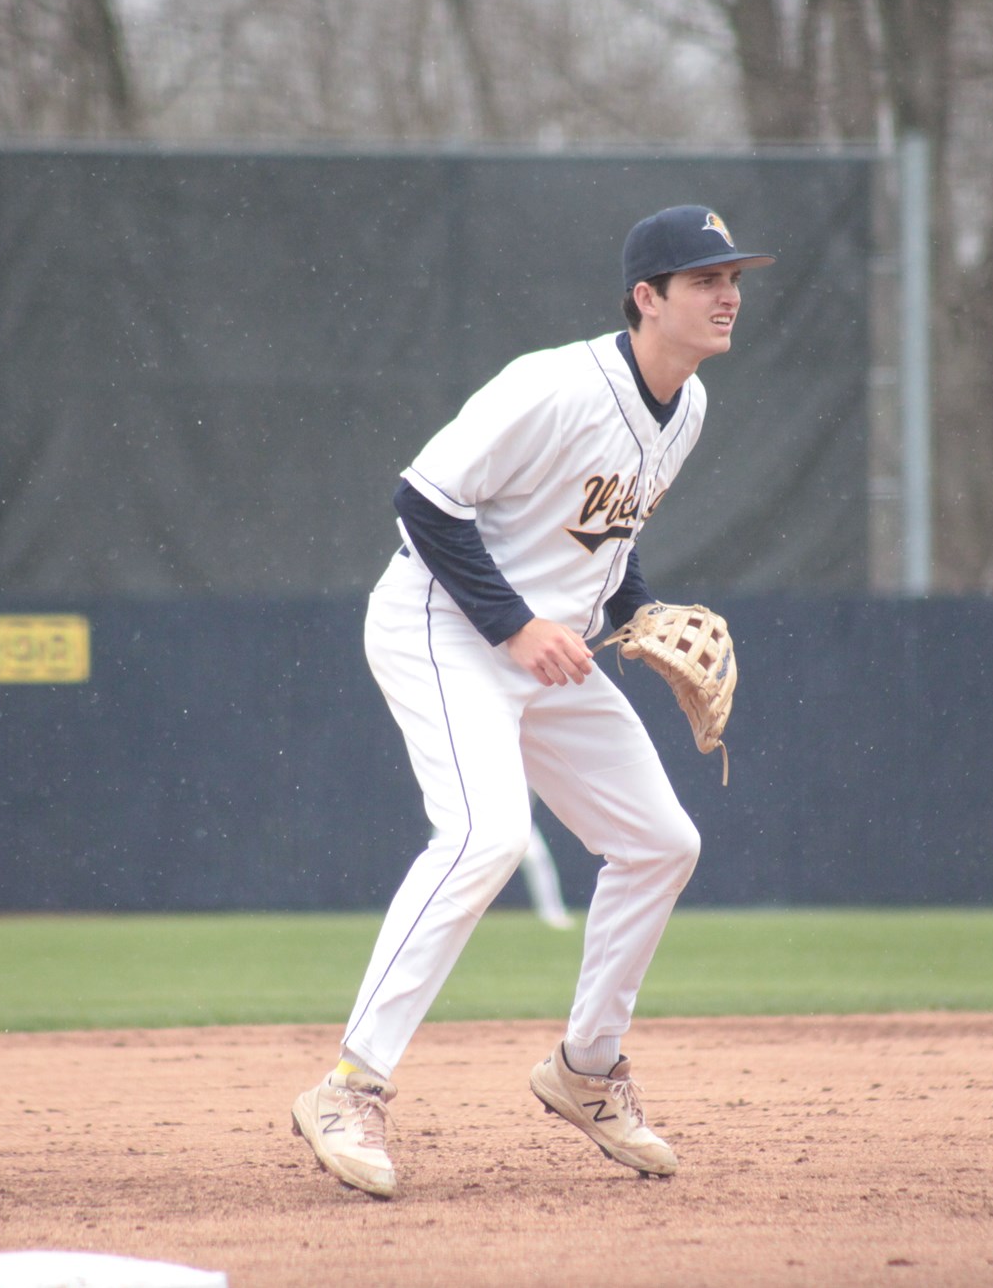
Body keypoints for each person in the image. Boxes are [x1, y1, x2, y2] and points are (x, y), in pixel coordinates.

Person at [290, 205, 774, 1197]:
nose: (728, 294)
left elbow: (606, 541)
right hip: (443, 626)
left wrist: (637, 615)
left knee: (658, 841)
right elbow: (423, 502)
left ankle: (586, 1070)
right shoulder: (550, 384)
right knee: (483, 837)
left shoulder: (686, 408)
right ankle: (349, 1085)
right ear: (646, 298)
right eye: (703, 279)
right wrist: (513, 623)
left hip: (550, 648)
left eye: (734, 277)